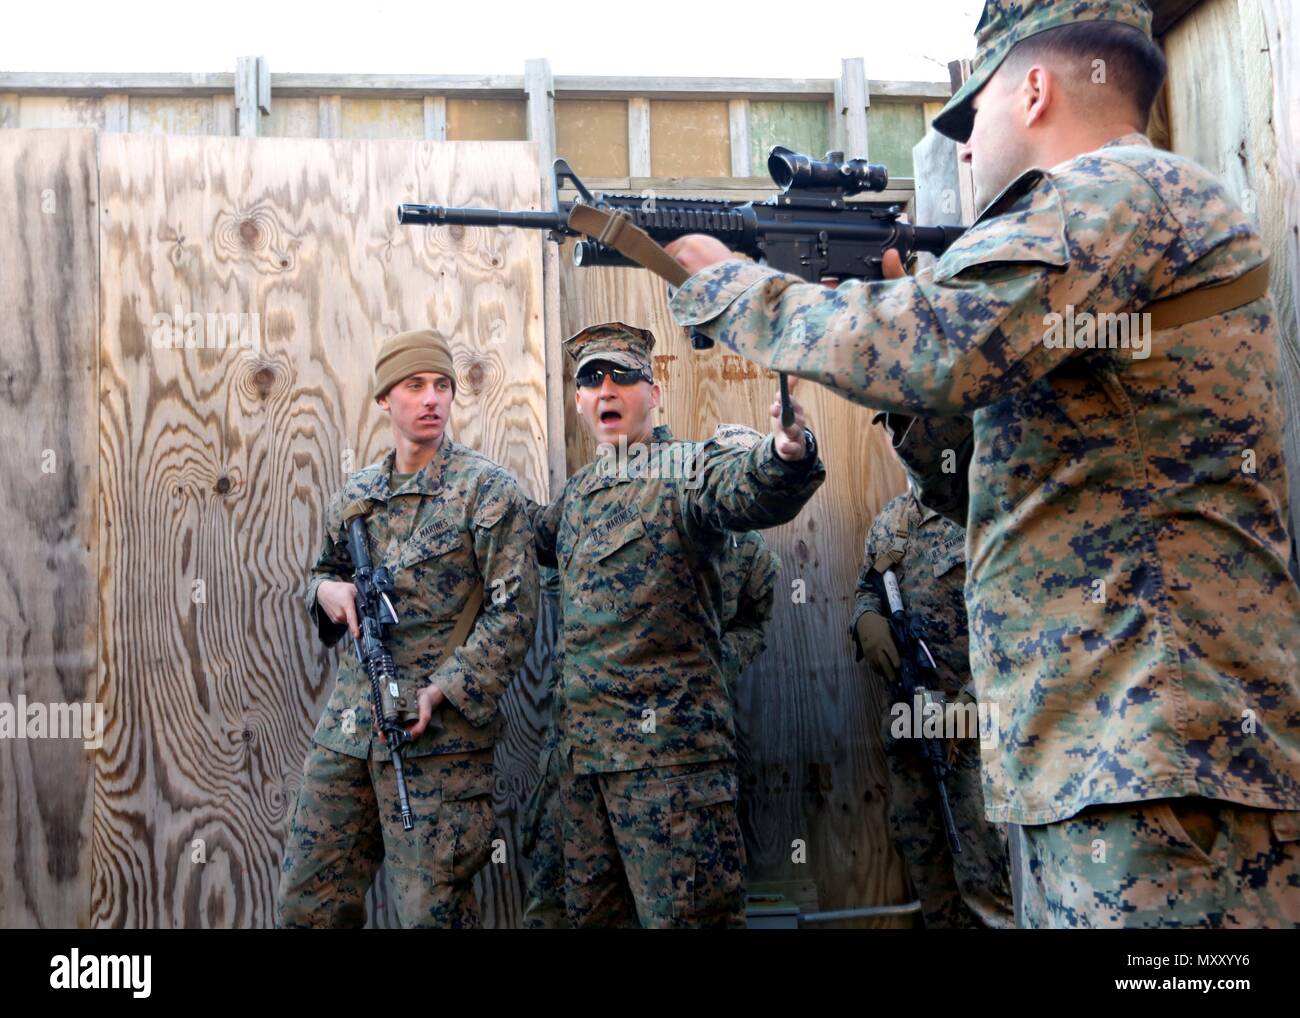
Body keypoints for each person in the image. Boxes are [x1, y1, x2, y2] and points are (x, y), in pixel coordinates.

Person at [665, 0, 1300, 927]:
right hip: (1107, 749)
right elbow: (990, 478)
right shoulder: (1115, 230)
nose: (964, 147)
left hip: (1159, 751)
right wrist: (894, 376)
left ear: (1037, 87)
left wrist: (729, 288)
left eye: (973, 114)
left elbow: (941, 349)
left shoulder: (1115, 192)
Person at [530, 322, 824, 928]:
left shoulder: (686, 470)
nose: (606, 388)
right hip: (584, 770)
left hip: (670, 771)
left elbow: (745, 487)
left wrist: (786, 456)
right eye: (591, 379)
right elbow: (526, 540)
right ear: (580, 401)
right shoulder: (579, 496)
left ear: (653, 392)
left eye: (622, 376)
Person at [276, 328, 539, 928]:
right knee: (306, 907)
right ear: (384, 400)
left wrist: (441, 689)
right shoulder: (358, 495)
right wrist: (326, 590)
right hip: (349, 732)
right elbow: (323, 572)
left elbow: (514, 613)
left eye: (442, 386)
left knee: (431, 916)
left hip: (436, 741)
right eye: (415, 385)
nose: (432, 399)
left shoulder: (486, 491)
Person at [521, 509, 779, 929]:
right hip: (580, 747)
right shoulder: (609, 517)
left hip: (670, 748)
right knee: (560, 896)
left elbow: (754, 622)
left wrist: (713, 664)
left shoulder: (747, 551)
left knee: (681, 899)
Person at [851, 412, 1012, 928]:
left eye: (911, 424)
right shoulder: (895, 521)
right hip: (911, 729)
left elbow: (1014, 622)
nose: (903, 440)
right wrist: (867, 619)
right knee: (927, 868)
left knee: (985, 880)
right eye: (893, 427)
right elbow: (869, 587)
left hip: (974, 737)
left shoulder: (981, 512)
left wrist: (967, 705)